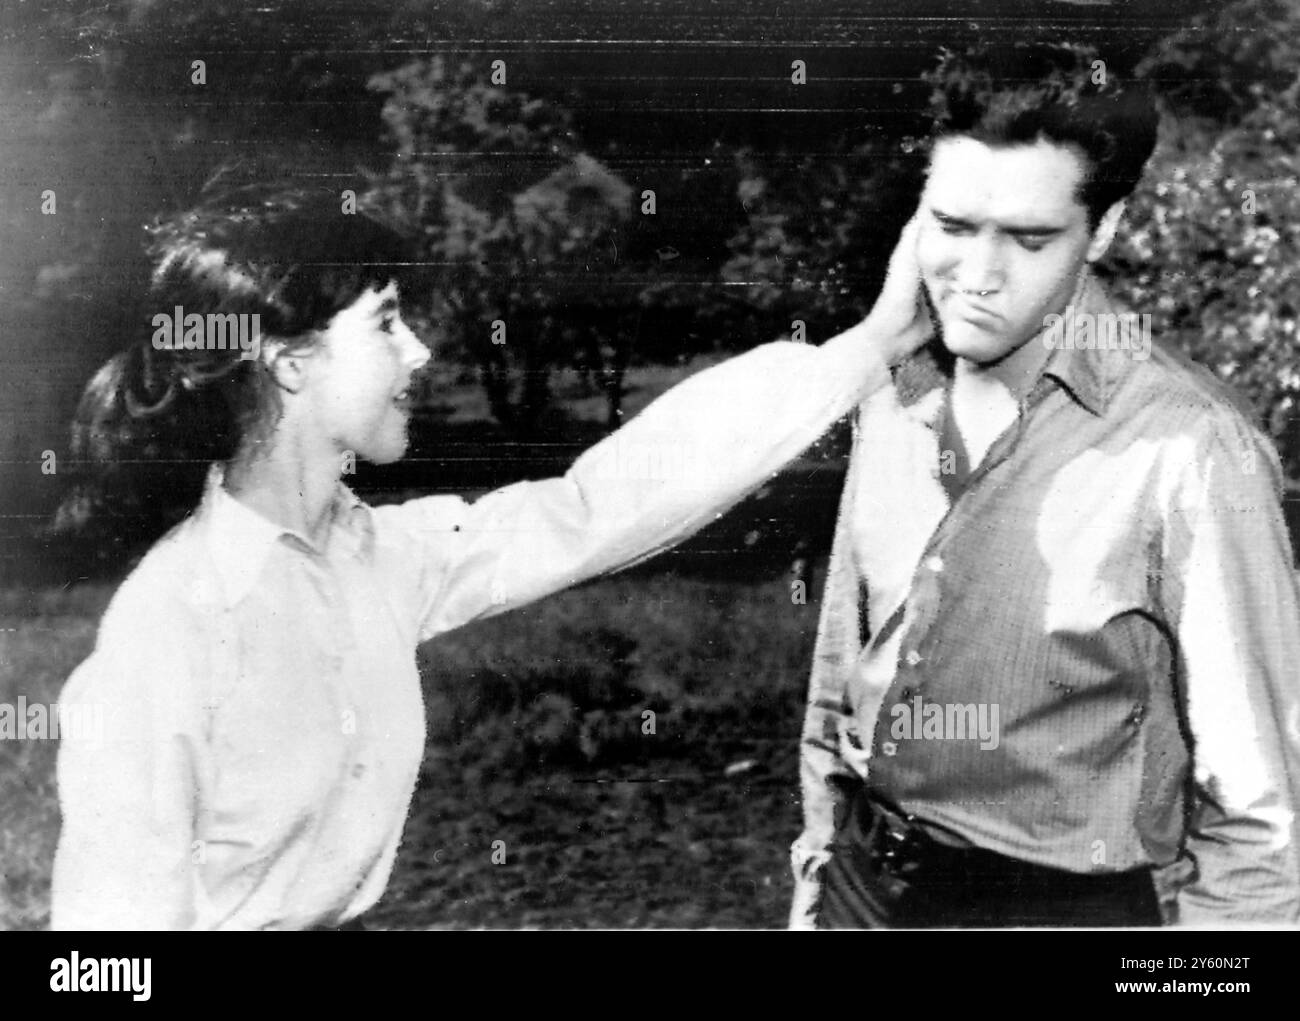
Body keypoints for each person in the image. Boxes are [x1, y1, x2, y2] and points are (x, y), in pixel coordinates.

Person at [51, 181, 932, 930]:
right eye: (387, 323)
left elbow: (602, 504)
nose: (421, 352)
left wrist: (872, 345)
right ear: (290, 363)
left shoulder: (374, 555)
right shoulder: (168, 633)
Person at [790, 42, 1300, 928]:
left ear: (1101, 230)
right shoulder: (891, 389)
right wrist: (816, 888)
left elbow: (1263, 822)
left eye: (1029, 239)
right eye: (950, 227)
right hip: (862, 892)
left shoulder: (1192, 450)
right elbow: (841, 680)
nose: (977, 277)